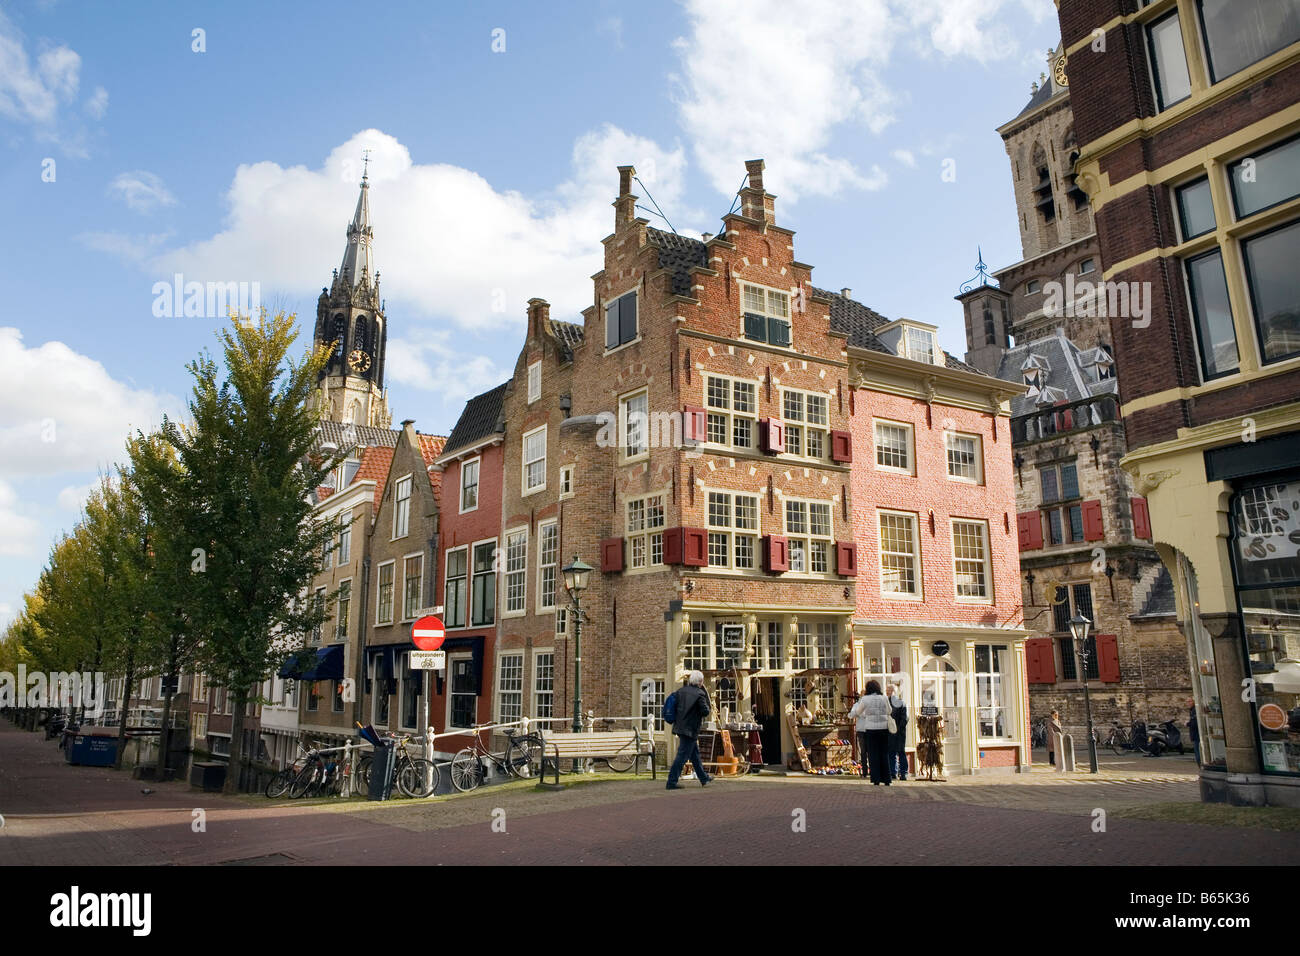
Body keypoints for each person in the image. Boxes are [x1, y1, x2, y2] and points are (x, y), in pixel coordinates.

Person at [666, 670, 712, 789]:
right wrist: (705, 693)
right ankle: (671, 782)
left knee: (694, 755)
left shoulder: (681, 691)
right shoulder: (700, 694)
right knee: (681, 756)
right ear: (700, 682)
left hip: (680, 727)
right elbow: (705, 711)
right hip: (690, 729)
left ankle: (704, 778)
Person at [849, 680, 891, 785]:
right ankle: (887, 779)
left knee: (873, 754)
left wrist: (851, 714)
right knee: (884, 754)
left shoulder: (865, 699)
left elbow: (858, 712)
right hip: (884, 729)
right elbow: (889, 711)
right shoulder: (884, 698)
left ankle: (876, 779)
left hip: (871, 729)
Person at [885, 684, 908, 781]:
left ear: (892, 691)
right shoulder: (901, 703)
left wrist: (894, 728)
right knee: (899, 752)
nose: (886, 692)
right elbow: (905, 718)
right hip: (899, 732)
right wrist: (899, 728)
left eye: (888, 690)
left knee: (893, 752)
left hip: (892, 731)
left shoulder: (887, 703)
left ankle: (894, 773)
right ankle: (902, 773)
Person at [1187, 698, 1200, 767]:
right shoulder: (1192, 710)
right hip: (1195, 734)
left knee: (1198, 752)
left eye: (1190, 701)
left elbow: (1194, 723)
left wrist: (1187, 724)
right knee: (1197, 751)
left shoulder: (1194, 710)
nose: (1188, 703)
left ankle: (1200, 766)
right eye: (1187, 701)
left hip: (1196, 734)